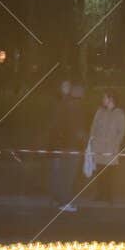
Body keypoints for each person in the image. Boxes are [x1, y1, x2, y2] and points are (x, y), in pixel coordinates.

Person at [48, 79, 85, 211]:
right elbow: (74, 127)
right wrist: (82, 140)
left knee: (59, 175)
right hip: (68, 145)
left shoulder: (59, 103)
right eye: (65, 86)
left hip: (61, 145)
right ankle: (65, 202)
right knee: (67, 175)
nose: (68, 88)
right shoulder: (70, 105)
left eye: (69, 86)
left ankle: (57, 199)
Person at [86, 91, 125, 203]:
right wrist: (92, 142)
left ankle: (108, 196)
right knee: (99, 172)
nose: (102, 100)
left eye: (104, 98)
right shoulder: (99, 112)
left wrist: (115, 144)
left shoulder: (119, 113)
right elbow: (93, 127)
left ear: (111, 99)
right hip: (99, 148)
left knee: (110, 173)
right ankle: (99, 195)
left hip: (111, 149)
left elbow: (121, 132)